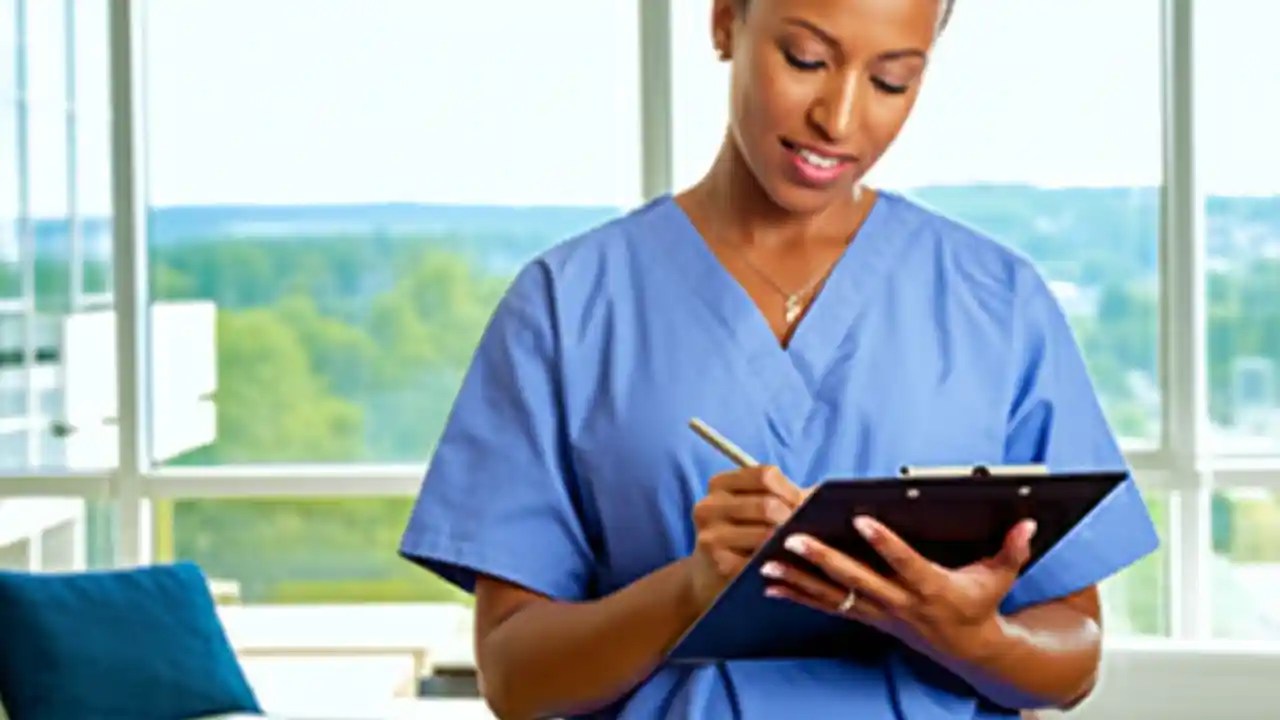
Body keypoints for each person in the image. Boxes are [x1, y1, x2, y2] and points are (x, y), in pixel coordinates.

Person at [399, 0, 1159, 717]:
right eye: (805, 59)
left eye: (893, 79)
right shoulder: (569, 306)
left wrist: (968, 634)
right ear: (726, 22)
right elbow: (514, 679)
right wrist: (690, 590)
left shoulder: (997, 302)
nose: (840, 118)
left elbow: (1075, 655)